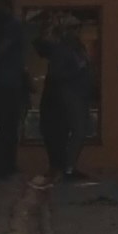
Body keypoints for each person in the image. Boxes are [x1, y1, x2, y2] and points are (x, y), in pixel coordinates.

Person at [35, 20, 92, 183]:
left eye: (77, 28)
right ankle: (65, 167)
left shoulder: (77, 48)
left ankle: (67, 166)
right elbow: (56, 72)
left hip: (77, 94)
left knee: (76, 130)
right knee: (73, 130)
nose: (77, 31)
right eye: (73, 28)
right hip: (68, 95)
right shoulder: (62, 48)